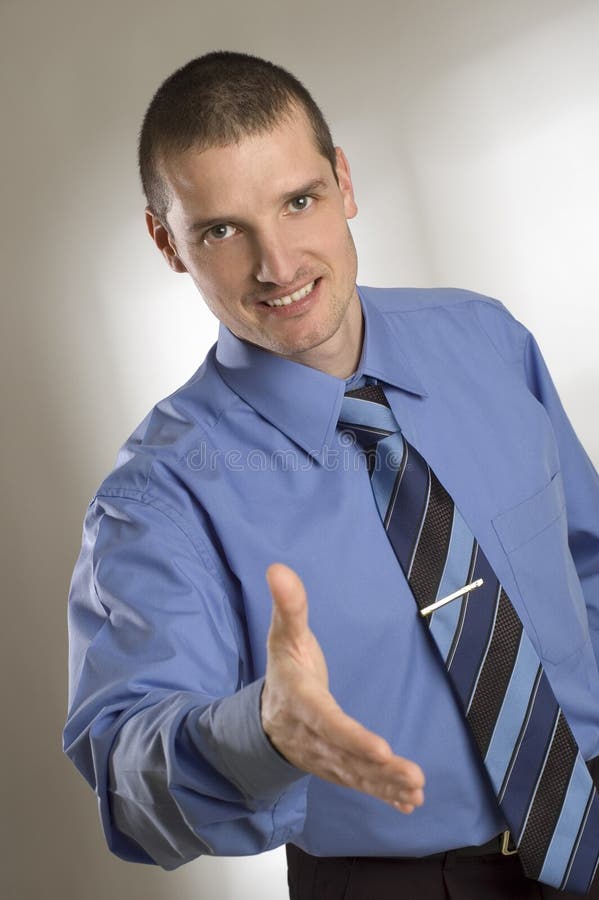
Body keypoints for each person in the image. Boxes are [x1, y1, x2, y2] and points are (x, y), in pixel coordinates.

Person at [63, 51, 599, 899]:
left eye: (298, 201)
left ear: (343, 182)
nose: (278, 266)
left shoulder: (486, 340)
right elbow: (125, 771)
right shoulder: (157, 498)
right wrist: (260, 737)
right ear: (167, 241)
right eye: (222, 229)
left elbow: (585, 564)